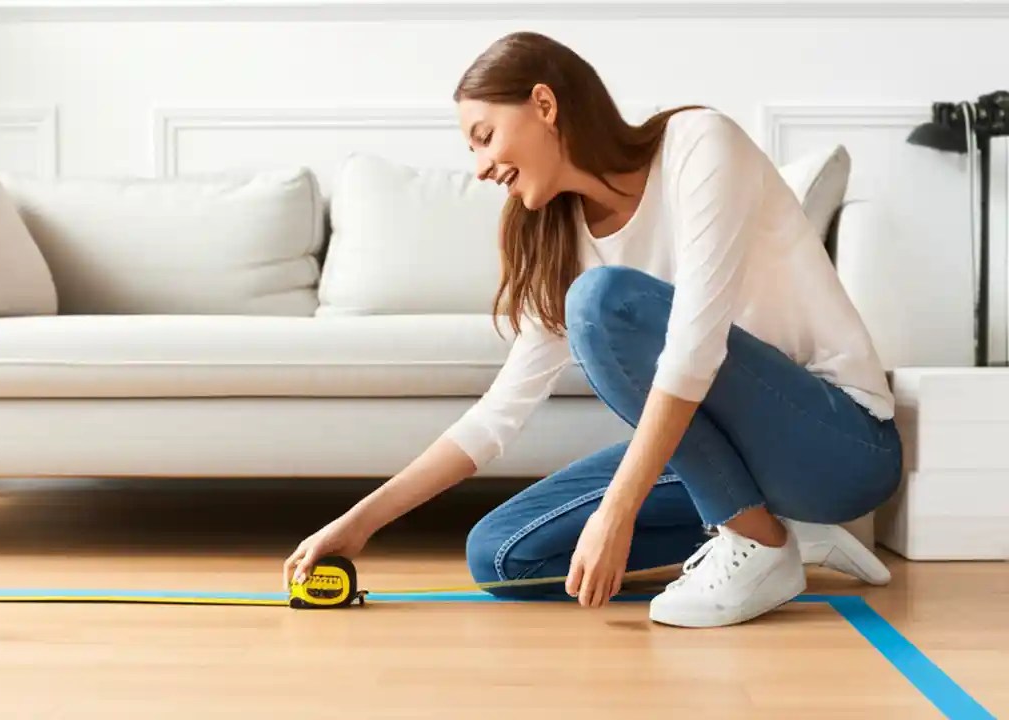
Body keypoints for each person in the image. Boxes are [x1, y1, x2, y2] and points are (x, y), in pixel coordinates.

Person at [282, 31, 902, 628]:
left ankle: (758, 541)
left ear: (544, 104)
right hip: (739, 452)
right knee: (501, 553)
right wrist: (360, 523)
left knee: (603, 302)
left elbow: (695, 348)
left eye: (484, 136)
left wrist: (618, 509)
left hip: (839, 446)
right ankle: (779, 528)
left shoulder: (697, 143)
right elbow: (497, 417)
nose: (478, 167)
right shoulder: (563, 238)